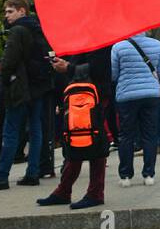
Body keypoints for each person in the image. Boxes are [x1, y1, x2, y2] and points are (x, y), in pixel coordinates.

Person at [0, 0, 53, 191]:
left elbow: (9, 61)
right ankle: (32, 173)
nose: (6, 16)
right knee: (35, 130)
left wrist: (2, 82)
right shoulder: (38, 29)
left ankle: (1, 176)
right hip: (37, 89)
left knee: (10, 131)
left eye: (10, 11)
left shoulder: (18, 31)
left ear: (22, 11)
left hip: (20, 89)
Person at [37, 49, 112, 209]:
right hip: (85, 92)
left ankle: (92, 192)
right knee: (79, 138)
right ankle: (68, 190)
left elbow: (99, 68)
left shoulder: (97, 37)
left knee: (90, 138)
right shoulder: (89, 35)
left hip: (91, 94)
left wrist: (68, 67)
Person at [110, 31, 160, 185]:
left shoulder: (118, 47)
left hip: (126, 95)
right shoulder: (157, 44)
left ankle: (125, 176)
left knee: (126, 135)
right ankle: (149, 175)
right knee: (150, 134)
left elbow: (113, 74)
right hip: (150, 94)